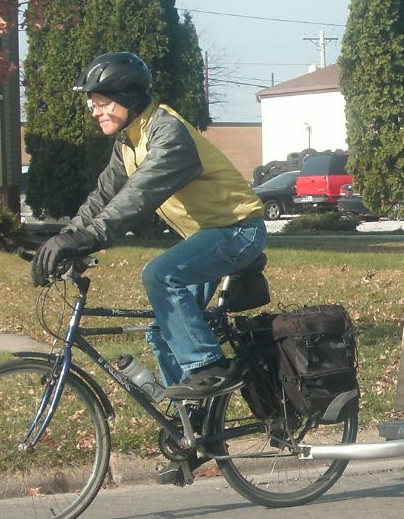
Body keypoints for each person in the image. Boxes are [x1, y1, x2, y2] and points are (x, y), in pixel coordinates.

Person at [31, 51, 266, 399]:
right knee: (161, 331)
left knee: (159, 275)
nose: (95, 112)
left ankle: (209, 367)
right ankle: (193, 426)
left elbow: (139, 195)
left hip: (239, 231)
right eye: (92, 104)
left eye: (102, 102)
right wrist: (66, 239)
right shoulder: (128, 141)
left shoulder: (168, 134)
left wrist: (89, 238)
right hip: (208, 236)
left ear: (128, 97)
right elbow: (102, 197)